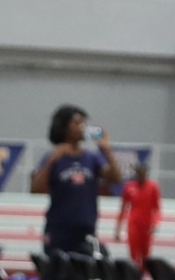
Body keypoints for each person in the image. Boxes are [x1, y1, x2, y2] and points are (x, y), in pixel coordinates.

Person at [31, 105, 119, 259]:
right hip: (58, 230)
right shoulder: (52, 157)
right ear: (64, 126)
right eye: (77, 123)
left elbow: (116, 178)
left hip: (86, 229)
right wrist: (52, 161)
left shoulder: (91, 158)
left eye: (84, 123)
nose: (82, 127)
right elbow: (36, 188)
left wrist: (106, 149)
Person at [113, 164, 162, 267]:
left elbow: (156, 208)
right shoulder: (129, 187)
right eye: (139, 174)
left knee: (145, 255)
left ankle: (142, 278)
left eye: (143, 174)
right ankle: (134, 279)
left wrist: (155, 223)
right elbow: (123, 208)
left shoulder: (153, 187)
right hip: (134, 225)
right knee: (134, 254)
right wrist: (118, 229)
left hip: (147, 225)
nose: (141, 176)